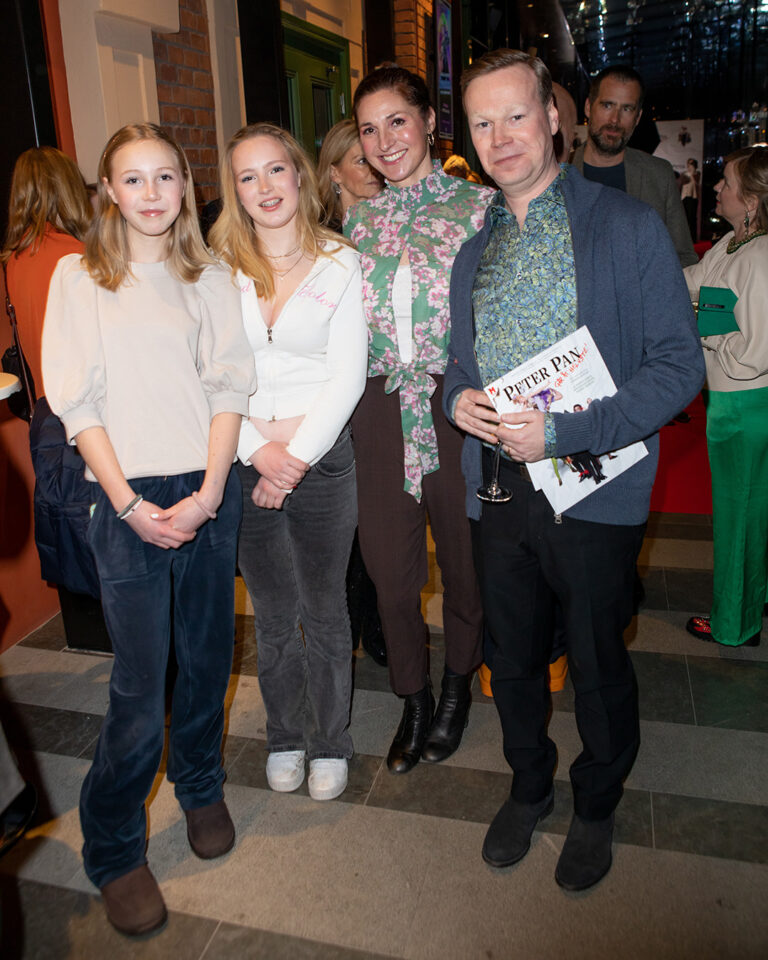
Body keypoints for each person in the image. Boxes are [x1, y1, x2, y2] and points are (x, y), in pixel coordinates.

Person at [445, 49, 704, 891]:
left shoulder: (623, 227)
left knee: (596, 658)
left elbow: (677, 367)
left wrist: (563, 431)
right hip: (499, 489)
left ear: (554, 116)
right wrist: (457, 404)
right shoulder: (470, 251)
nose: (501, 137)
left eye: (517, 115)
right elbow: (457, 365)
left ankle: (595, 802)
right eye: (483, 122)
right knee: (511, 655)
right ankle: (528, 785)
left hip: (594, 480)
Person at [42, 123, 256, 937]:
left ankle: (200, 786)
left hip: (206, 488)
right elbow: (77, 403)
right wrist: (130, 503)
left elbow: (231, 386)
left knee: (206, 661)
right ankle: (115, 847)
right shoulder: (79, 276)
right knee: (140, 683)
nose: (154, 194)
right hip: (123, 497)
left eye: (166, 177)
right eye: (134, 180)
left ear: (184, 185)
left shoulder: (211, 276)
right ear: (108, 192)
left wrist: (206, 496)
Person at [209, 123, 367, 802]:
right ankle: (285, 736)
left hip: (323, 462)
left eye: (275, 170)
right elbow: (207, 374)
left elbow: (348, 377)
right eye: (248, 177)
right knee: (273, 615)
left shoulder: (341, 262)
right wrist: (259, 453)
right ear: (235, 191)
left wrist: (293, 461)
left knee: (326, 610)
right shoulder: (217, 269)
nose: (265, 188)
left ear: (301, 175)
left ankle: (331, 741)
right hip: (243, 459)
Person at [345, 65, 494, 774]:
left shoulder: (480, 208)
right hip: (377, 409)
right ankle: (413, 695)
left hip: (455, 404)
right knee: (391, 572)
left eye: (396, 121)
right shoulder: (356, 221)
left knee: (465, 565)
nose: (383, 141)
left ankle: (458, 689)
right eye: (369, 129)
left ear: (429, 121)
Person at [1, 147, 101, 604]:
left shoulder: (14, 261)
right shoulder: (80, 256)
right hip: (91, 413)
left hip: (47, 418)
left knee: (69, 522)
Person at [683, 146, 768, 647]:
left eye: (729, 183)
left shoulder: (759, 256)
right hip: (731, 404)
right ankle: (750, 602)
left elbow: (752, 349)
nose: (717, 188)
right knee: (749, 513)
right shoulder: (731, 244)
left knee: (738, 517)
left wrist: (698, 326)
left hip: (744, 405)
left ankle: (735, 625)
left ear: (753, 200)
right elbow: (691, 283)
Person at [317, 119, 387, 668]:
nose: (373, 167)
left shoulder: (394, 224)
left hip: (382, 391)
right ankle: (345, 622)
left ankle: (380, 622)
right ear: (334, 172)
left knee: (381, 514)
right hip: (329, 398)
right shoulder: (314, 240)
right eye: (360, 160)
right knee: (343, 518)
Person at [571, 65, 697, 268]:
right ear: (588, 107)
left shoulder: (658, 175)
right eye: (607, 105)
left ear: (637, 117)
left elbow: (683, 257)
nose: (615, 120)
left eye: (626, 109)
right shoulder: (559, 174)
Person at [317, 118, 383, 231]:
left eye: (379, 158)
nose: (375, 169)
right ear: (335, 173)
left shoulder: (396, 220)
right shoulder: (321, 235)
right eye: (363, 161)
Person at [680, 157, 700, 241]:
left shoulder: (697, 173)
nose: (689, 165)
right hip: (684, 197)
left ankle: (693, 238)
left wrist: (691, 174)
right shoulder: (685, 174)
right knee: (684, 218)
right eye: (688, 163)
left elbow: (696, 181)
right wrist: (689, 174)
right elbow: (684, 181)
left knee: (692, 218)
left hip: (693, 197)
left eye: (691, 164)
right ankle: (684, 238)